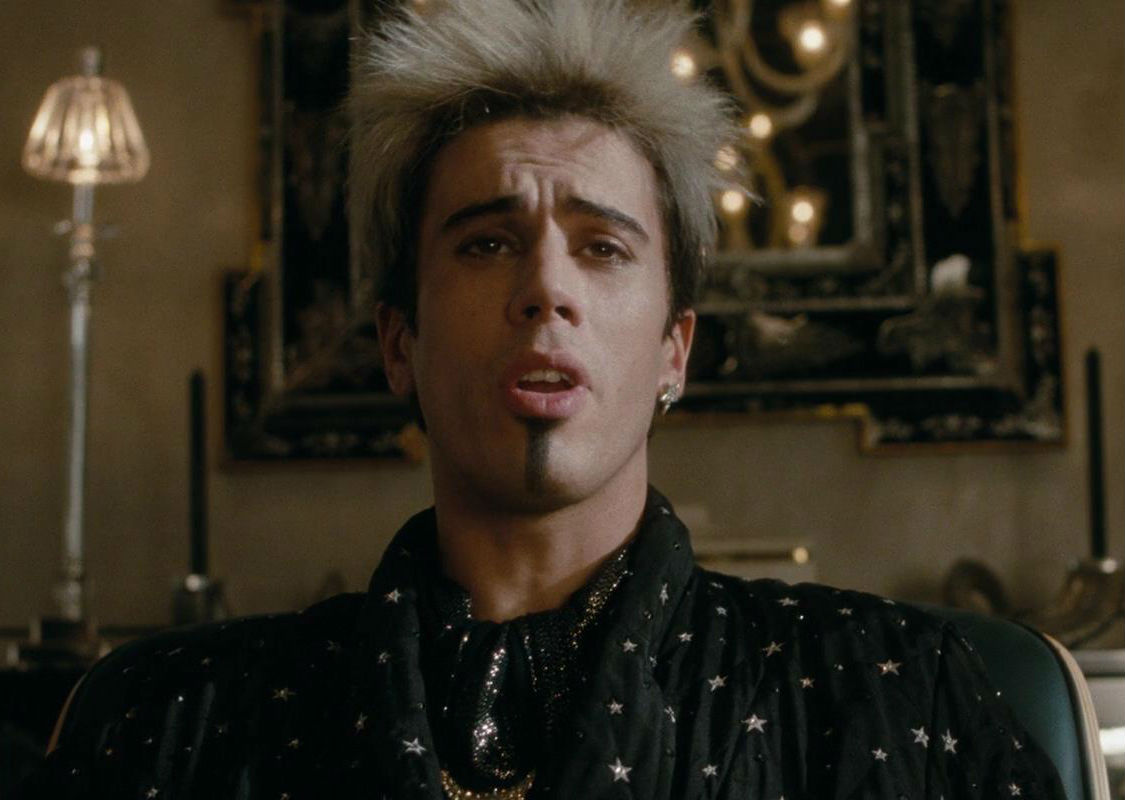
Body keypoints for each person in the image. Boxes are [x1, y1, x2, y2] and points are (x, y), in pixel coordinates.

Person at [19, 1, 1066, 798]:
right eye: (486, 243)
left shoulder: (894, 695)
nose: (545, 288)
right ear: (399, 343)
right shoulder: (173, 724)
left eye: (602, 247)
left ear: (674, 350)